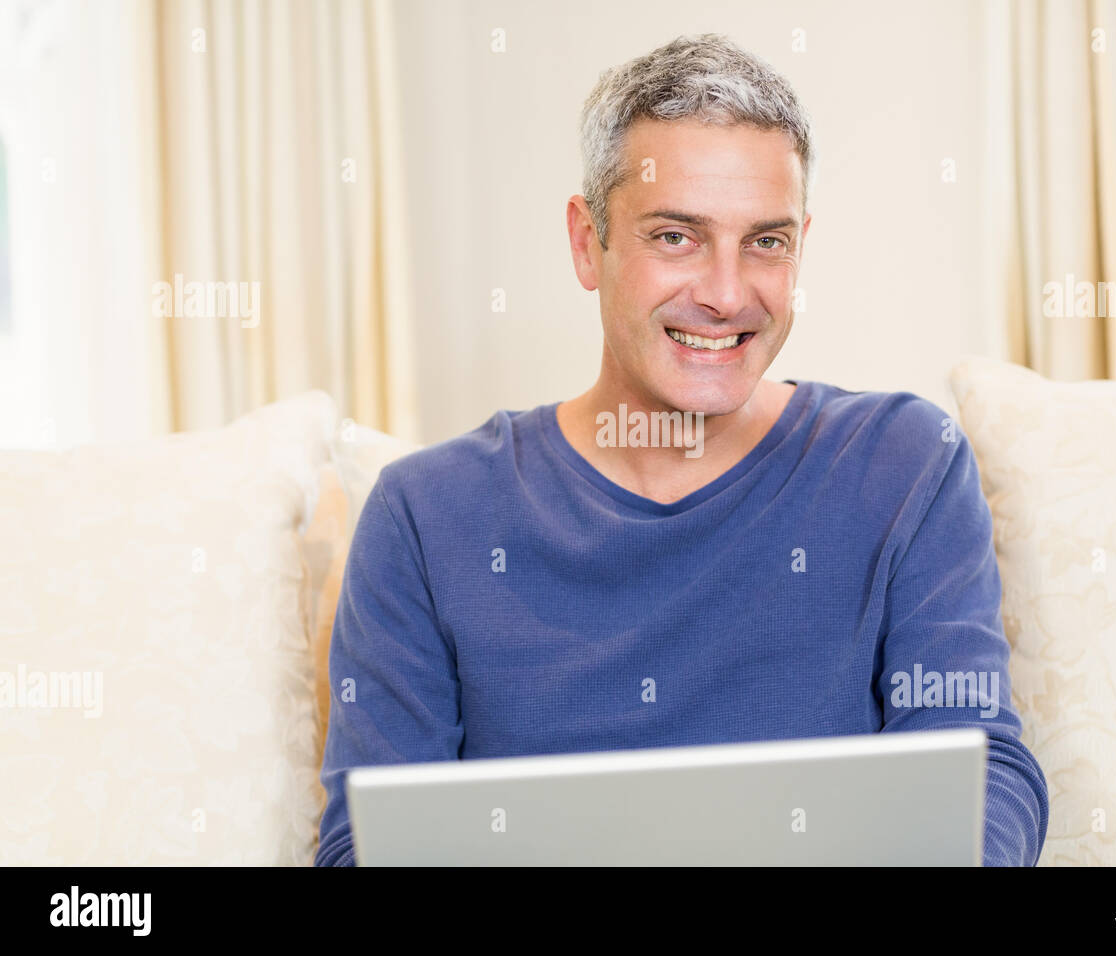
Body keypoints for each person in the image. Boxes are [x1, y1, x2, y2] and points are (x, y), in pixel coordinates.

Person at [315, 33, 1049, 866]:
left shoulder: (903, 464)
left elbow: (981, 771)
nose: (727, 294)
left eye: (766, 242)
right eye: (676, 237)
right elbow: (360, 846)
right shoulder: (425, 516)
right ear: (587, 242)